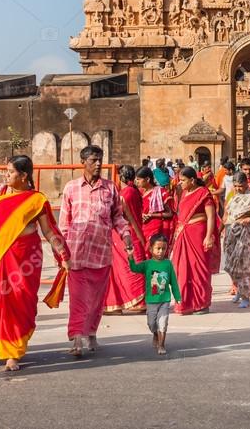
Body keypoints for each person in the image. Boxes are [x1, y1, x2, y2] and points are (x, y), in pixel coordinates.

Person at [0, 155, 70, 371]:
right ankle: (8, 351)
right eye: (6, 171)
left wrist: (63, 254)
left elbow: (49, 230)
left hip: (25, 259)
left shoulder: (36, 200)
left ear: (23, 176)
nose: (6, 175)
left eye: (11, 172)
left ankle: (15, 350)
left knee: (21, 299)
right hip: (0, 256)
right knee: (2, 301)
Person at [59, 145, 132, 357]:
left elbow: (118, 216)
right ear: (83, 162)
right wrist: (62, 253)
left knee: (95, 300)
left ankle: (91, 332)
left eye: (100, 159)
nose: (98, 164)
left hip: (101, 253)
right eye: (93, 160)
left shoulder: (110, 188)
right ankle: (76, 338)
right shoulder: (71, 188)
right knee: (78, 299)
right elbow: (64, 224)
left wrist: (125, 235)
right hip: (76, 254)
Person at [171, 167, 219, 315]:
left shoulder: (204, 193)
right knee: (182, 268)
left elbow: (211, 216)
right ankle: (184, 303)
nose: (180, 183)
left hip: (198, 233)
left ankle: (201, 303)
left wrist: (208, 236)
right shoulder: (184, 193)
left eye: (183, 180)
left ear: (192, 180)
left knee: (199, 268)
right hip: (183, 233)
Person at [104, 165, 148, 314]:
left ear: (120, 177)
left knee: (125, 268)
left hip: (125, 234)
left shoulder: (124, 194)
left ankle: (133, 301)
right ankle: (136, 301)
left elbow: (123, 217)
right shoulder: (134, 191)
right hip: (133, 233)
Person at [128, 233, 181, 354]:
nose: (161, 251)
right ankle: (155, 334)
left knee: (163, 323)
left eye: (164, 248)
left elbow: (173, 281)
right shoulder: (147, 264)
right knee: (151, 324)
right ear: (151, 249)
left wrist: (177, 296)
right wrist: (130, 257)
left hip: (164, 300)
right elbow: (134, 268)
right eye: (158, 248)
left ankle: (161, 345)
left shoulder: (168, 264)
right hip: (151, 301)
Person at [222, 173, 250, 308]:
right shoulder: (232, 195)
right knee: (231, 265)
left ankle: (245, 296)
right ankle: (238, 290)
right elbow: (226, 214)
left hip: (246, 235)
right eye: (235, 186)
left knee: (244, 265)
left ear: (246, 184)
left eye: (240, 186)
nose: (238, 188)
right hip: (231, 233)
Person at [136, 166, 175, 252]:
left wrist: (152, 215)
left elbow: (170, 213)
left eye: (139, 179)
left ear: (147, 179)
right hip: (142, 229)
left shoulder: (161, 192)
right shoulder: (139, 193)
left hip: (156, 229)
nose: (137, 181)